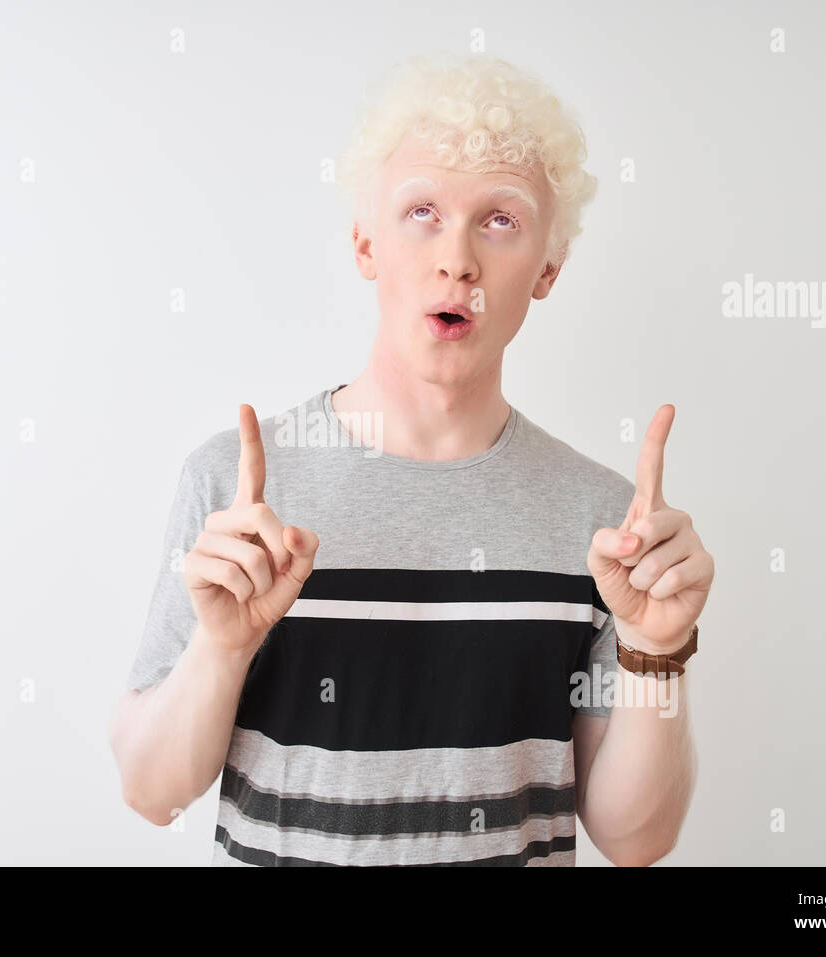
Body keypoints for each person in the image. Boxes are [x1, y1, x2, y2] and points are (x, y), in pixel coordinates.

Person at [110, 53, 714, 866]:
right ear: (365, 243)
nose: (456, 258)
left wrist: (655, 651)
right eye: (422, 211)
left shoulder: (607, 527)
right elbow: (151, 792)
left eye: (500, 219)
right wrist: (222, 646)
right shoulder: (234, 489)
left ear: (548, 268)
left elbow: (637, 840)